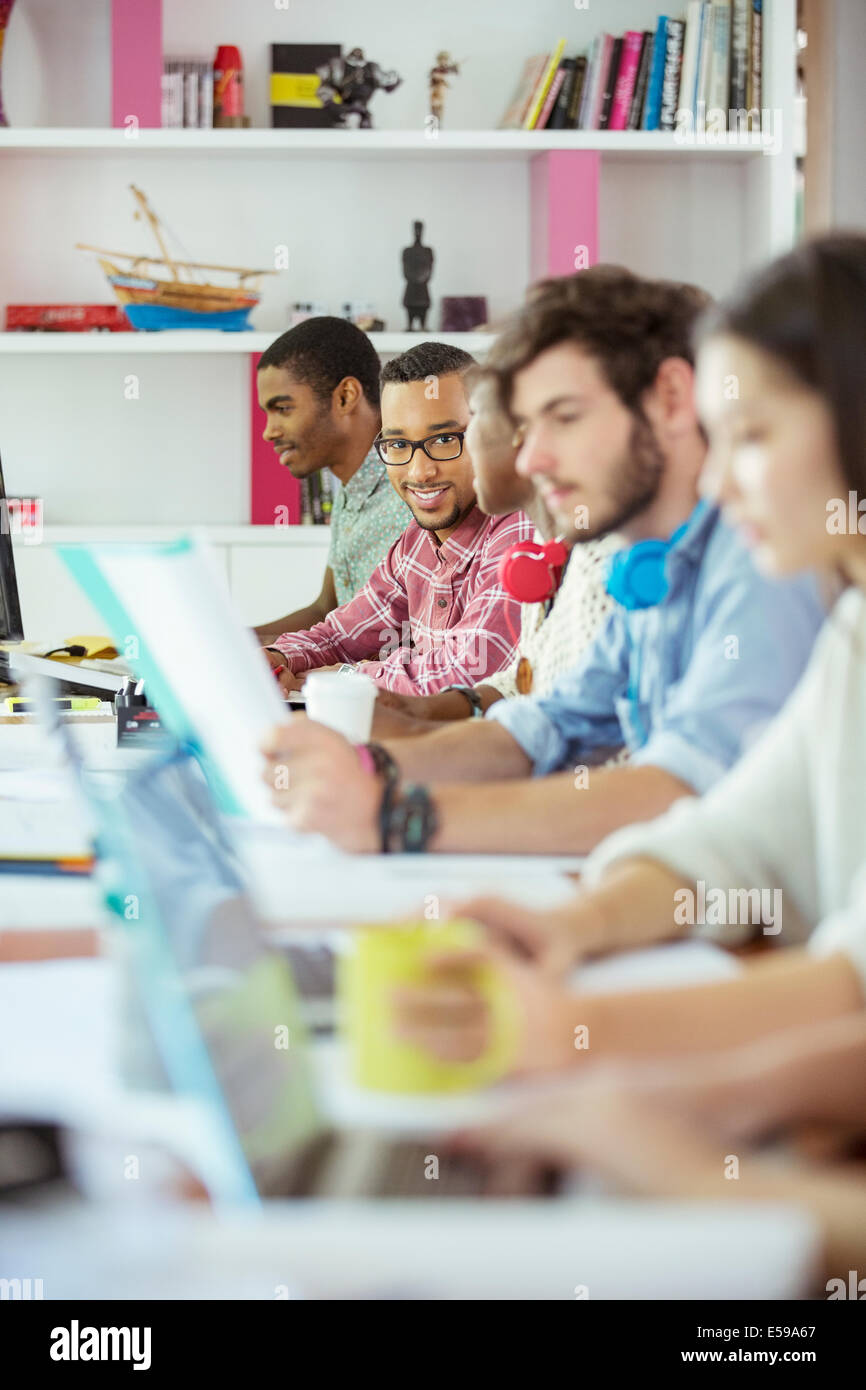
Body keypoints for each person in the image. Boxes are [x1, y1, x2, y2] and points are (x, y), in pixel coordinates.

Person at [388, 234, 866, 1080]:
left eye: (750, 435)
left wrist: (570, 1031)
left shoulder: (776, 583)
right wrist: (568, 930)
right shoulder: (852, 637)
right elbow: (724, 844)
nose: (719, 484)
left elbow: (850, 990)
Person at [262, 266, 823, 855]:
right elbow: (550, 725)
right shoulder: (650, 561)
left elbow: (678, 789)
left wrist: (396, 812)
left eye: (564, 417)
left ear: (674, 399)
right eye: (524, 427)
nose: (529, 460)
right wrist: (368, 763)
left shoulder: (763, 555)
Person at [263, 342, 534, 695]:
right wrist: (278, 656)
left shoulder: (519, 529)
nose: (420, 471)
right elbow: (340, 634)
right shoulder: (417, 541)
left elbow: (467, 670)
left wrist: (340, 678)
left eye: (444, 439)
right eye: (398, 444)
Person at [371, 370, 620, 737]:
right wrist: (420, 708)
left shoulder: (598, 567)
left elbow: (568, 740)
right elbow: (525, 680)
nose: (425, 468)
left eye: (452, 435)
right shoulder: (548, 552)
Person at [254, 317, 411, 643]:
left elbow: (397, 640)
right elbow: (328, 609)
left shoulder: (411, 492)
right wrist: (228, 640)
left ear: (345, 396)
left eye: (283, 408)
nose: (269, 431)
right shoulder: (349, 491)